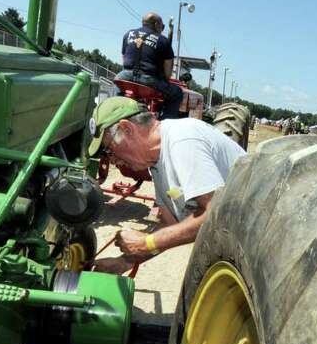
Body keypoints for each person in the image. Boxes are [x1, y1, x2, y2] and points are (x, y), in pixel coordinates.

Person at [87, 96, 245, 276]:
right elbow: (171, 226)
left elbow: (216, 214)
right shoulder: (157, 165)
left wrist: (147, 243)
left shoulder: (182, 140)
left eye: (109, 150)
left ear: (127, 129)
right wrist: (124, 262)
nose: (113, 161)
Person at [115, 12, 185, 118]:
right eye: (163, 26)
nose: (163, 29)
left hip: (125, 76)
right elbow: (167, 75)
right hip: (149, 80)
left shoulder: (128, 34)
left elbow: (124, 60)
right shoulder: (163, 40)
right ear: (157, 24)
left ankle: (115, 114)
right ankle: (164, 125)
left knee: (117, 86)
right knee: (177, 93)